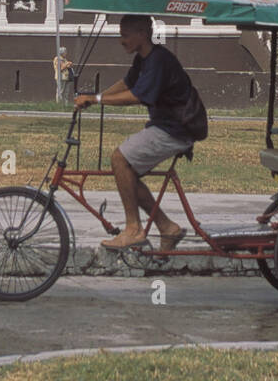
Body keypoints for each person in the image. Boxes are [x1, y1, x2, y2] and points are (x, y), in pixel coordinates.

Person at [74, 14, 205, 251]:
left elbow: (137, 96)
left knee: (119, 159)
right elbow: (127, 83)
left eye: (125, 35)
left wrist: (97, 99)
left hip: (175, 129)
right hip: (166, 126)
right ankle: (167, 228)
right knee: (128, 173)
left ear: (142, 35)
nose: (121, 41)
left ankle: (133, 229)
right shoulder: (144, 59)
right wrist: (94, 99)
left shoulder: (158, 61)